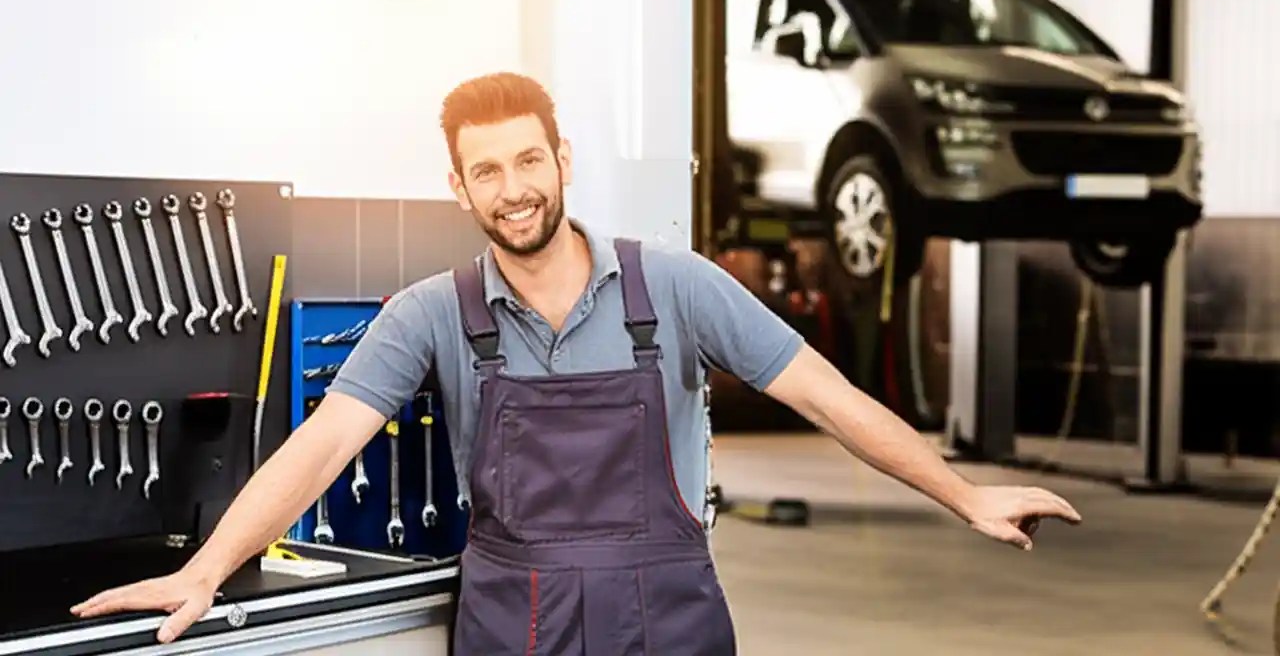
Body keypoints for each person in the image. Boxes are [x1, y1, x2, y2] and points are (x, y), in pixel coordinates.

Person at [71, 72, 1081, 652]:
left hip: (669, 624)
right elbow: (321, 446)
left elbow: (826, 396)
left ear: (561, 159)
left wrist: (964, 495)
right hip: (514, 628)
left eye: (527, 159)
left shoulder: (672, 288)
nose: (512, 188)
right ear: (460, 187)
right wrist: (204, 572)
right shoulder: (431, 314)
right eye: (486, 170)